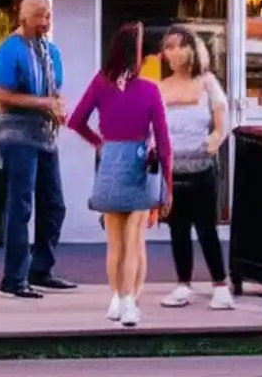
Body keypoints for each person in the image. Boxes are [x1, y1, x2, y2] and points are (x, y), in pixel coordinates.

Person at [69, 21, 171, 328]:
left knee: (114, 241)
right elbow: (164, 142)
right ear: (134, 53)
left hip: (110, 161)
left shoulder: (101, 83)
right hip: (138, 162)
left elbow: (76, 121)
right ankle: (130, 303)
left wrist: (99, 143)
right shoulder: (150, 90)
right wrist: (167, 183)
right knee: (134, 240)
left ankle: (115, 298)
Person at [0, 0, 75, 299]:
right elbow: (0, 94)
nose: (45, 22)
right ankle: (13, 278)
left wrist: (58, 108)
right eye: (40, 15)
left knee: (54, 205)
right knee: (21, 205)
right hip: (17, 134)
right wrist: (42, 103)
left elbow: (55, 92)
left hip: (44, 135)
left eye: (48, 15)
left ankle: (41, 269)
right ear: (23, 17)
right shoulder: (10, 49)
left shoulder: (51, 51)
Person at [156, 26, 234, 311]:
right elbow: (153, 126)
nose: (173, 52)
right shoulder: (160, 86)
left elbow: (221, 120)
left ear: (192, 49)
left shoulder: (208, 82)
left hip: (202, 169)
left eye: (179, 46)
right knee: (177, 229)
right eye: (168, 47)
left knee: (206, 229)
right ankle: (182, 285)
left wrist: (215, 138)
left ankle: (220, 285)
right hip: (171, 170)